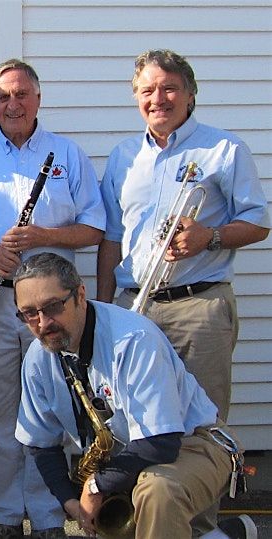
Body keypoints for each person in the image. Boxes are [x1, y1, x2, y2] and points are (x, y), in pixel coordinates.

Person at [0, 59, 104, 539]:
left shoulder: (67, 155)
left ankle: (51, 516)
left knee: (53, 410)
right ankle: (6, 515)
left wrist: (42, 236)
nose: (12, 104)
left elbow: (94, 228)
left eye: (21, 94)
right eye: (1, 97)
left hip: (53, 304)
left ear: (38, 97)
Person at [14, 253, 257, 539]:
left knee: (157, 490)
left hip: (193, 443)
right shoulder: (37, 357)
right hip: (126, 459)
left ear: (80, 294)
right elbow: (42, 446)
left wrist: (96, 486)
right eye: (29, 313)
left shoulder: (133, 339)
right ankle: (227, 535)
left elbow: (161, 443)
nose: (42, 324)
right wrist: (71, 502)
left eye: (53, 306)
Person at [97, 49, 270, 421]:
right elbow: (112, 237)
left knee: (204, 421)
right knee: (136, 417)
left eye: (169, 88)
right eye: (147, 91)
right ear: (136, 98)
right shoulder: (122, 156)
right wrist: (104, 308)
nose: (158, 99)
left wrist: (209, 237)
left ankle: (211, 481)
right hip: (135, 306)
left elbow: (258, 223)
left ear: (191, 94)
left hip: (199, 309)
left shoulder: (225, 149)